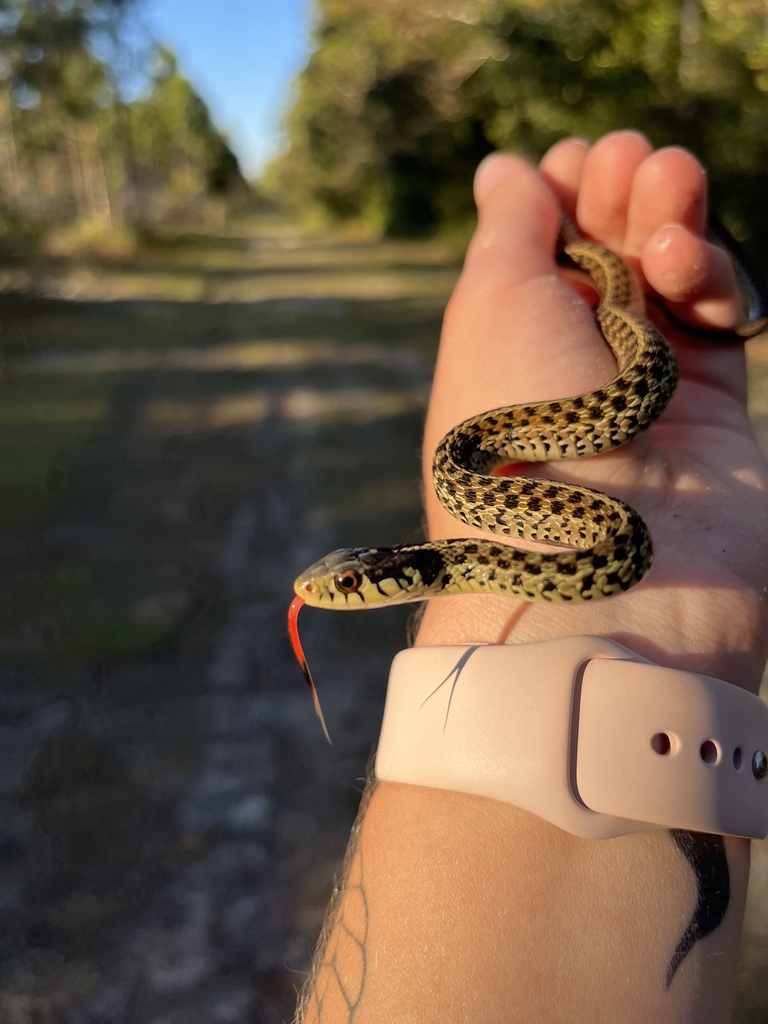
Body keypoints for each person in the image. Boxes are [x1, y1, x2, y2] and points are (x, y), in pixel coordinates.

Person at [295, 130, 768, 1023]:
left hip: (625, 414)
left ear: (388, 577)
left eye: (347, 585)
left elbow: (602, 545)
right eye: (341, 584)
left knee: (639, 268)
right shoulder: (466, 472)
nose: (328, 593)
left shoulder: (535, 500)